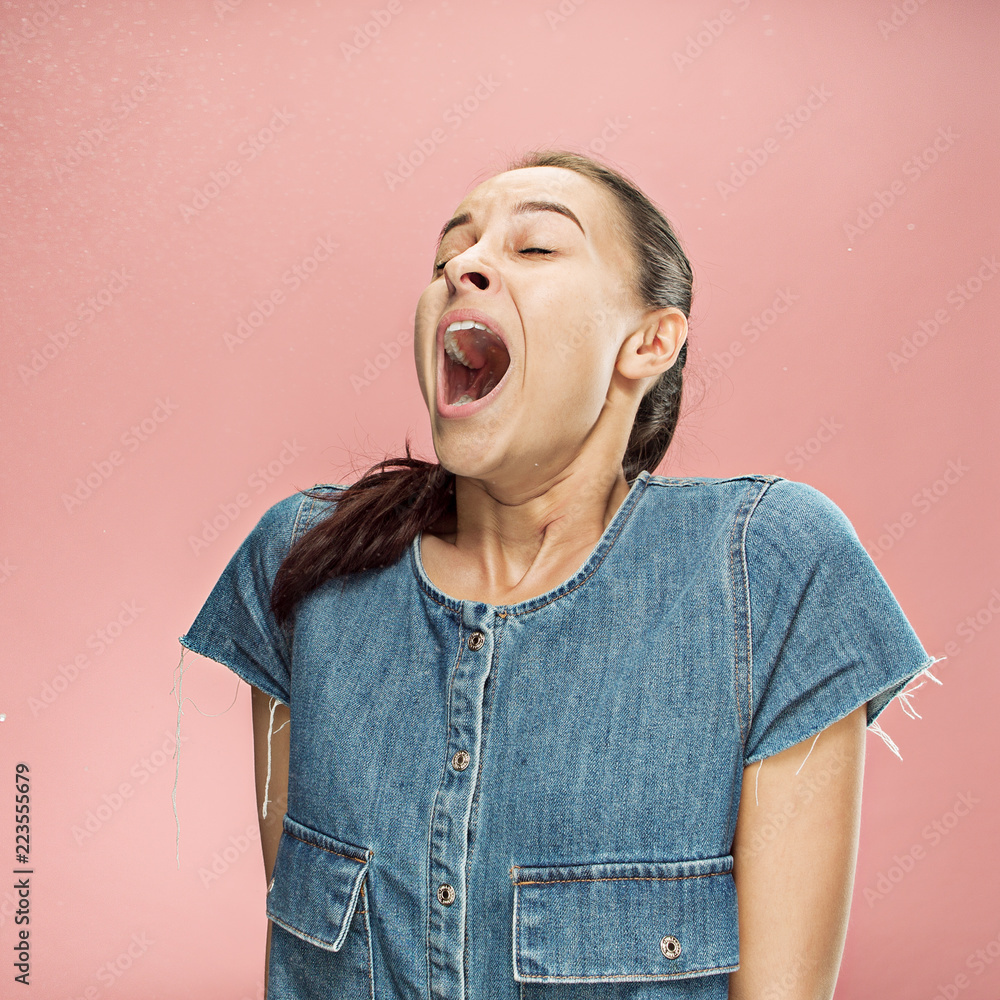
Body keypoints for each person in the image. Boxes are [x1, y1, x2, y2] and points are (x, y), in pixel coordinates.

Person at [178, 149, 935, 999]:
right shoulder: (307, 562)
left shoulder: (766, 570)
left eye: (535, 248)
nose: (463, 266)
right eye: (446, 258)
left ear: (648, 340)